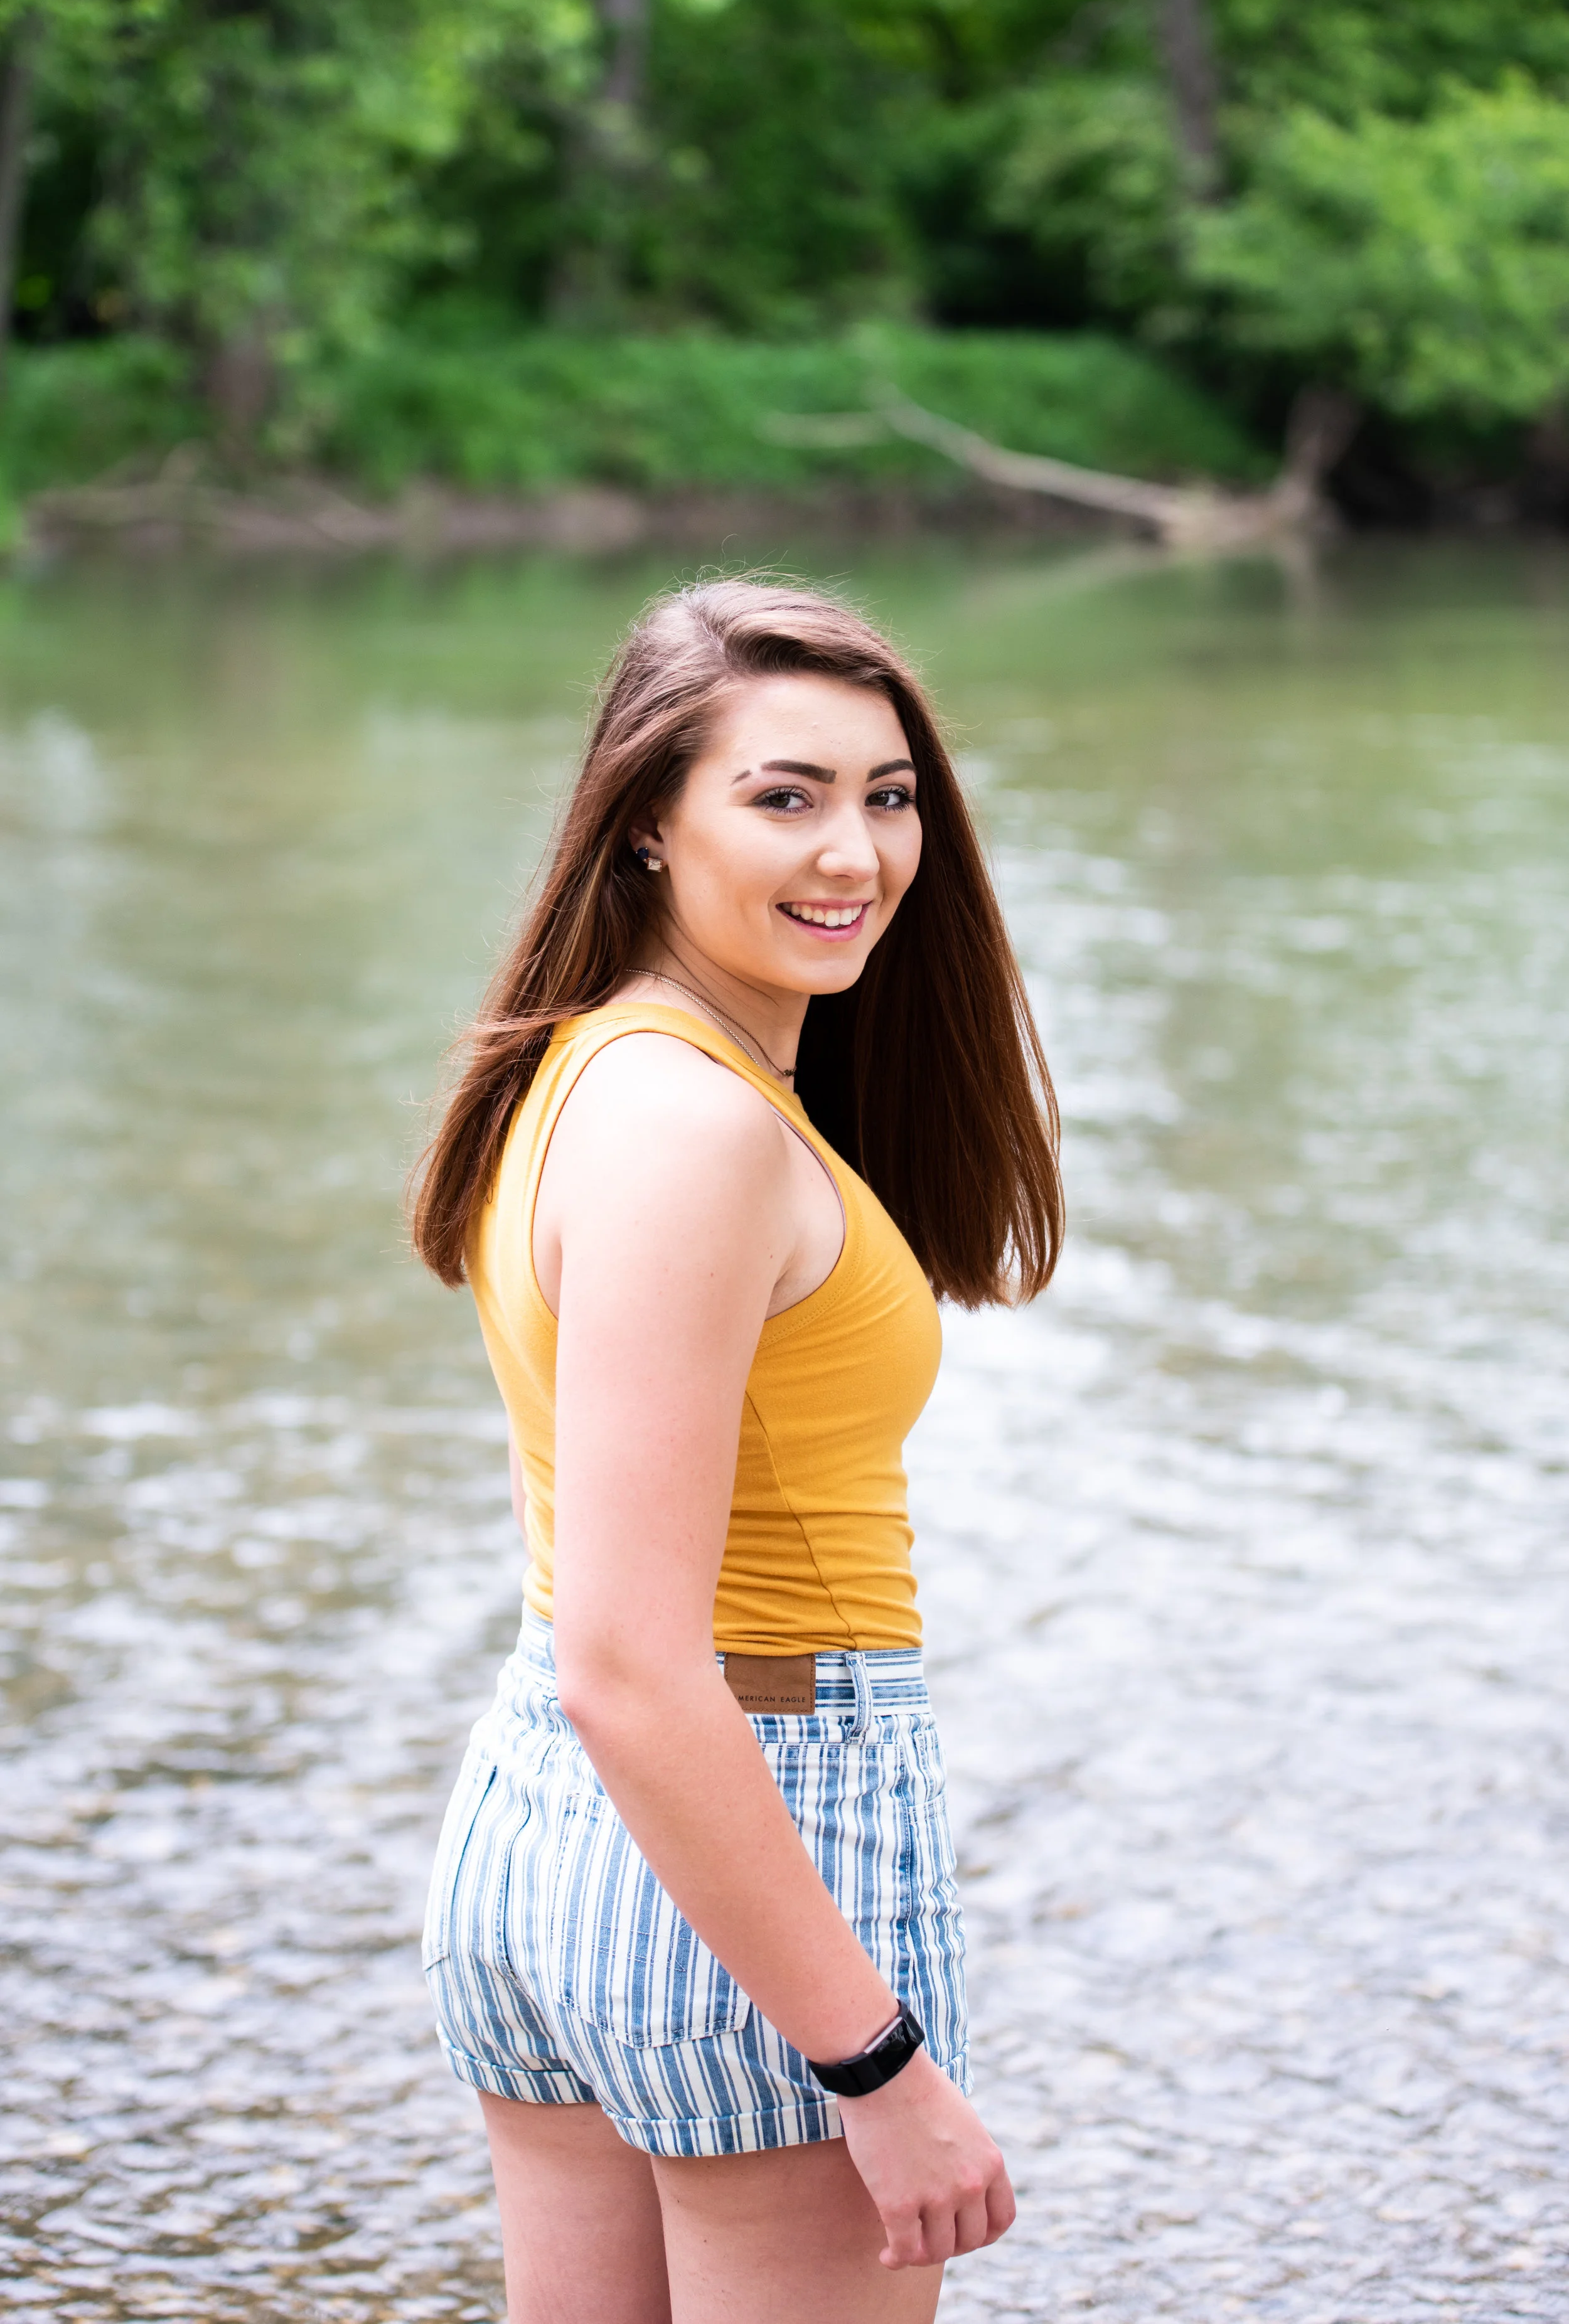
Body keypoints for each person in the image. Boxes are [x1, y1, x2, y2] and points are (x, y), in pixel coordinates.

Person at [411, 578, 1063, 2323]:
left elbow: (587, 1604)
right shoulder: (696, 1129)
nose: (854, 852)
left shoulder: (585, 1067)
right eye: (784, 797)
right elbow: (636, 1662)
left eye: (888, 795)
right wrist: (880, 2070)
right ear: (645, 822)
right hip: (749, 1813)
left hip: (543, 1829)